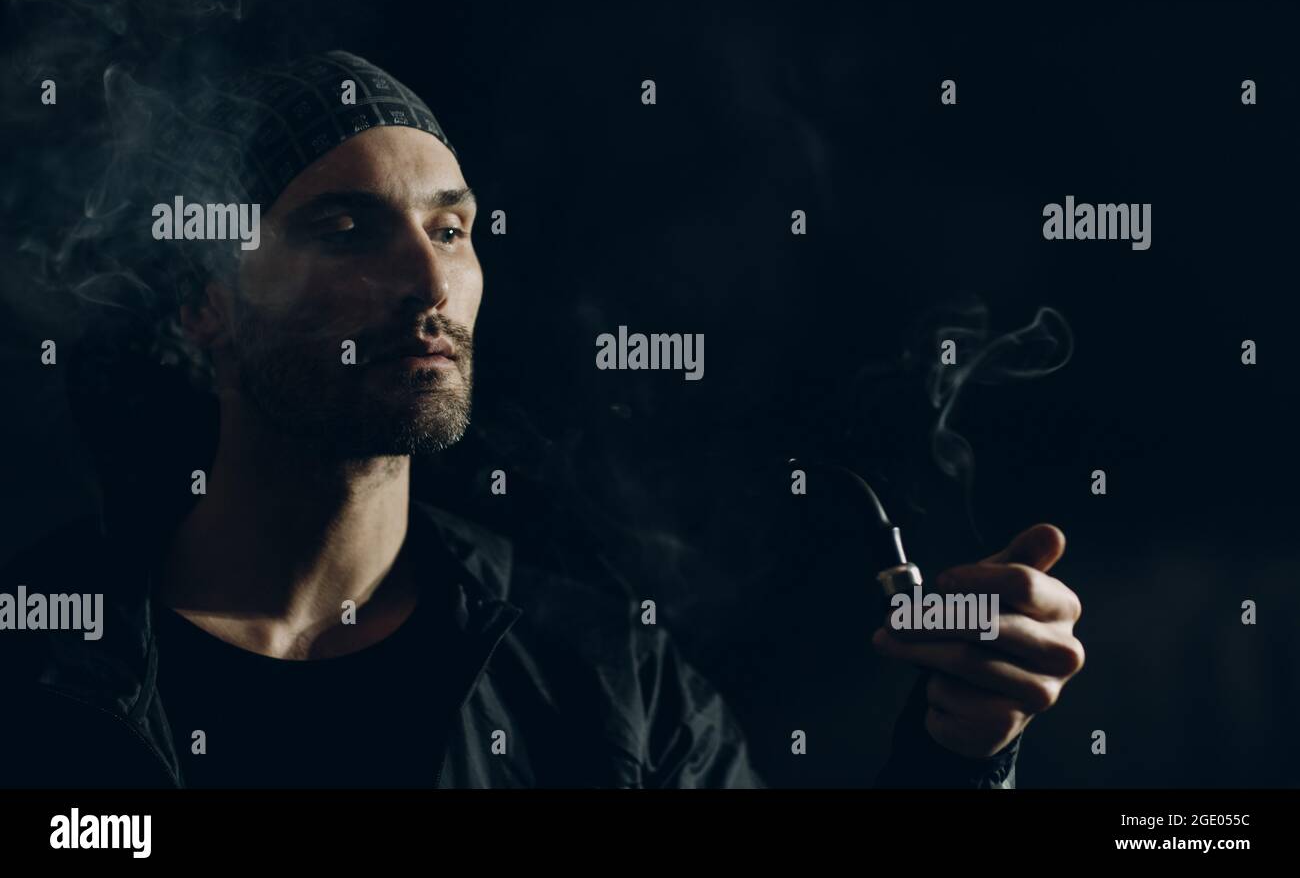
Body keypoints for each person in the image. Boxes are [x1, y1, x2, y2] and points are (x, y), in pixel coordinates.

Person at [0, 52, 1083, 788]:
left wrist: (956, 751)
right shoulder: (43, 660)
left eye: (454, 228)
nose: (428, 280)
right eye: (345, 228)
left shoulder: (608, 679)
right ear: (206, 309)